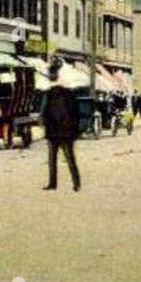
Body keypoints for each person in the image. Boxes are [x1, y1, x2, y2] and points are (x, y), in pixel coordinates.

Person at [42, 57, 81, 191]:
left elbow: (45, 112)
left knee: (58, 158)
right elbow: (75, 113)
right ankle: (74, 183)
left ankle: (56, 183)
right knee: (66, 158)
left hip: (58, 131)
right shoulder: (66, 93)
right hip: (63, 131)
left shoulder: (52, 93)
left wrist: (46, 126)